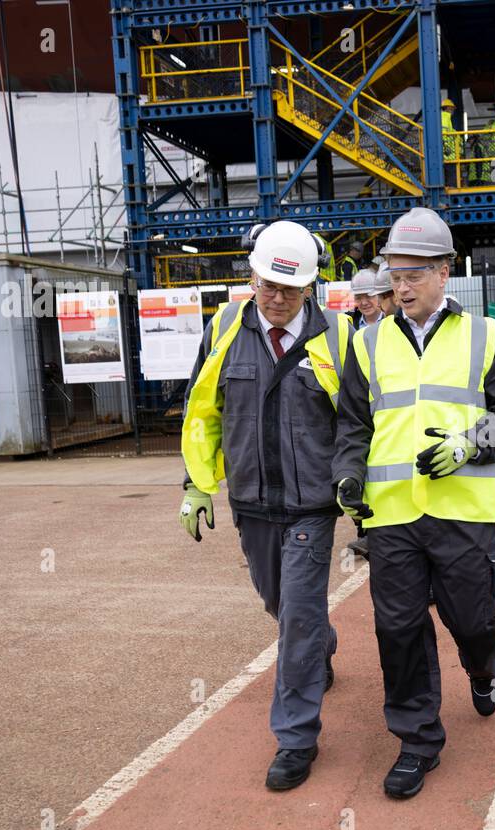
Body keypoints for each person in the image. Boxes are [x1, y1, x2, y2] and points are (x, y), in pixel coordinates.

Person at [332, 206, 495, 800]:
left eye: (415, 272)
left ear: (445, 273)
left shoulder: (485, 336)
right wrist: (347, 477)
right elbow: (352, 427)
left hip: (462, 514)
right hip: (391, 518)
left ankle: (484, 662)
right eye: (396, 273)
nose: (403, 284)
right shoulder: (365, 344)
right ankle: (417, 741)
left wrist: (470, 445)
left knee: (471, 619)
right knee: (397, 628)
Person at [179, 219, 350, 793]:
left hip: (311, 506)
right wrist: (195, 482)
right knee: (280, 603)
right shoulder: (225, 327)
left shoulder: (340, 338)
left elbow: (357, 423)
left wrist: (359, 489)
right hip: (251, 502)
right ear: (251, 277)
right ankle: (321, 645)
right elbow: (202, 409)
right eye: (267, 287)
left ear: (311, 287)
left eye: (290, 290)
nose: (276, 300)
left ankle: (295, 738)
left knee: (298, 614)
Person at [441, 96, 462, 188]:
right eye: (452, 108)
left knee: (448, 173)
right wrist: (446, 147)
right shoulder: (445, 116)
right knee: (451, 173)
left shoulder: (445, 117)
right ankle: (452, 190)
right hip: (448, 154)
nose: (453, 110)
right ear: (448, 108)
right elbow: (444, 133)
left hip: (446, 153)